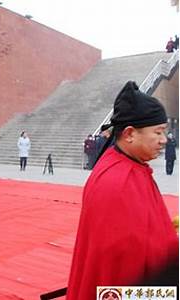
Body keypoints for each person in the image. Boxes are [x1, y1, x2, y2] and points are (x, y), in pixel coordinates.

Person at [66, 81, 179, 300]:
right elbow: (122, 278)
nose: (164, 140)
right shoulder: (118, 183)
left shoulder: (128, 165)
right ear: (129, 134)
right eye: (158, 132)